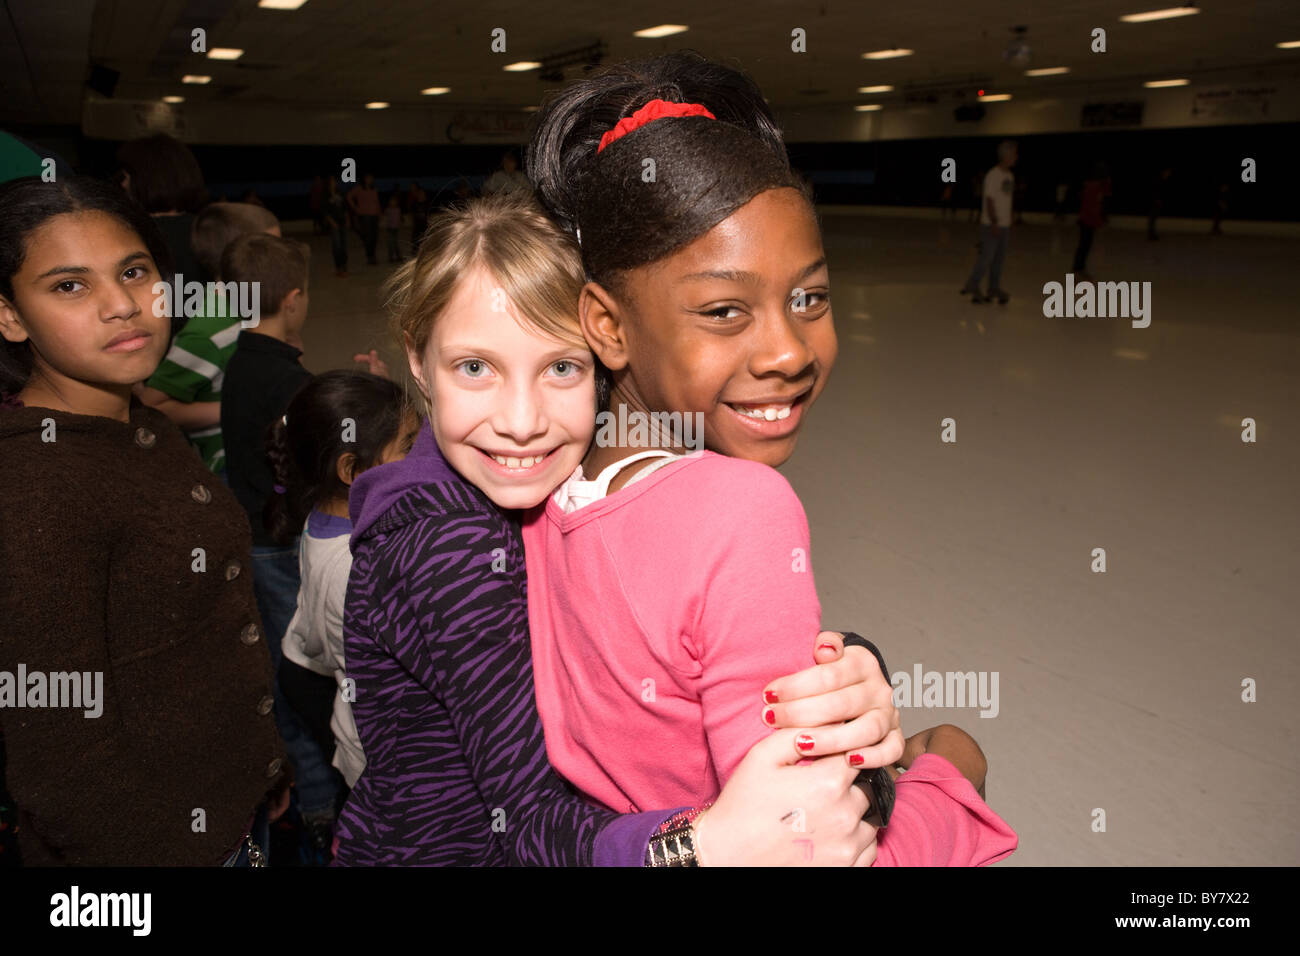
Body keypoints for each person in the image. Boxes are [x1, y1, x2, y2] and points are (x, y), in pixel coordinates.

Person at [521, 52, 1017, 865]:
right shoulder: (742, 508)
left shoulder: (543, 474)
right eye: (724, 310)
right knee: (955, 746)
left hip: (629, 833)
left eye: (809, 297)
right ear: (607, 326)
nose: (788, 350)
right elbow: (804, 842)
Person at [337, 192, 902, 866]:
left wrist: (839, 666)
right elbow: (528, 819)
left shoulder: (524, 481)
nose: (522, 420)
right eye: (475, 367)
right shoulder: (447, 547)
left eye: (561, 368)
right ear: (418, 361)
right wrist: (702, 847)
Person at [0, 175, 285, 865]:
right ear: (9, 317)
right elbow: (60, 754)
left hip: (235, 816)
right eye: (70, 286)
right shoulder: (34, 484)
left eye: (134, 271)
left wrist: (261, 768)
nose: (123, 306)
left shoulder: (141, 425)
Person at [266, 371, 420, 855]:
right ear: (352, 470)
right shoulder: (360, 567)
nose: (423, 459)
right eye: (409, 446)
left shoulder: (325, 517)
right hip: (386, 766)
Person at [133, 201, 280, 476]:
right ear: (239, 257)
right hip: (228, 464)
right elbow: (153, 405)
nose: (285, 260)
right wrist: (238, 408)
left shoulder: (250, 309)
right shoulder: (206, 331)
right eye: (271, 251)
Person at [115, 134, 208, 338]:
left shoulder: (127, 236)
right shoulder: (212, 230)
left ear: (146, 179)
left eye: (127, 176)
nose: (123, 185)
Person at [960, 140, 1017, 305]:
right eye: (1014, 154)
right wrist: (994, 222)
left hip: (1004, 225)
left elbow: (1007, 199)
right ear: (1006, 156)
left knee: (999, 259)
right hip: (992, 224)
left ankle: (993, 287)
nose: (1016, 157)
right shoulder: (993, 175)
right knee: (986, 257)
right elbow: (990, 200)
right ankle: (972, 285)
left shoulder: (1010, 176)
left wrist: (1009, 219)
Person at [1073, 163, 1112, 278]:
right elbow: (1091, 205)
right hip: (1087, 220)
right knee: (1083, 245)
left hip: (1088, 219)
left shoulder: (1093, 186)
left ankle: (1080, 268)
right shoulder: (1095, 187)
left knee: (1085, 245)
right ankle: (1077, 270)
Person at [346, 173, 381, 265]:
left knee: (374, 236)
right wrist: (355, 208)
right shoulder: (359, 189)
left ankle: (373, 255)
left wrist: (379, 212)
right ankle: (370, 256)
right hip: (365, 216)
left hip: (374, 215)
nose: (370, 179)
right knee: (368, 237)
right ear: (364, 179)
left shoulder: (374, 189)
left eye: (371, 178)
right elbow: (349, 196)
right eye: (368, 178)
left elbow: (377, 201)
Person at [323, 176, 348, 277]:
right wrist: (331, 222)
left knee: (344, 246)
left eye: (335, 181)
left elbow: (345, 207)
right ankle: (339, 267)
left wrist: (347, 219)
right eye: (332, 181)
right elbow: (324, 211)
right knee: (336, 246)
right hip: (334, 223)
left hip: (342, 222)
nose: (334, 183)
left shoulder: (340, 193)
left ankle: (344, 266)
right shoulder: (326, 195)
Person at [1148, 167, 1172, 240]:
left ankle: (1152, 233)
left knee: (1153, 218)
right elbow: (1156, 190)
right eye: (1167, 173)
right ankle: (1151, 234)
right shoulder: (1159, 180)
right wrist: (1157, 199)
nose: (1168, 174)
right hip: (1155, 201)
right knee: (1153, 217)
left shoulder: (1162, 180)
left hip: (1157, 201)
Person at [408, 182, 429, 251]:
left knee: (424, 237)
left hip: (424, 224)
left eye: (423, 194)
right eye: (420, 194)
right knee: (416, 237)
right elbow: (412, 212)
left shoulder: (426, 204)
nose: (421, 195)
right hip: (417, 224)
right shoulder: (415, 203)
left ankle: (424, 249)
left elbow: (427, 214)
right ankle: (415, 250)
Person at [383, 193, 402, 262]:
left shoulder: (398, 210)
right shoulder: (388, 210)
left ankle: (398, 256)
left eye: (394, 201)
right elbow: (386, 218)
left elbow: (399, 219)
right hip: (389, 228)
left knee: (395, 242)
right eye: (391, 201)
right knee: (390, 243)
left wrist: (399, 224)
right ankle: (391, 256)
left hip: (395, 228)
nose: (393, 203)